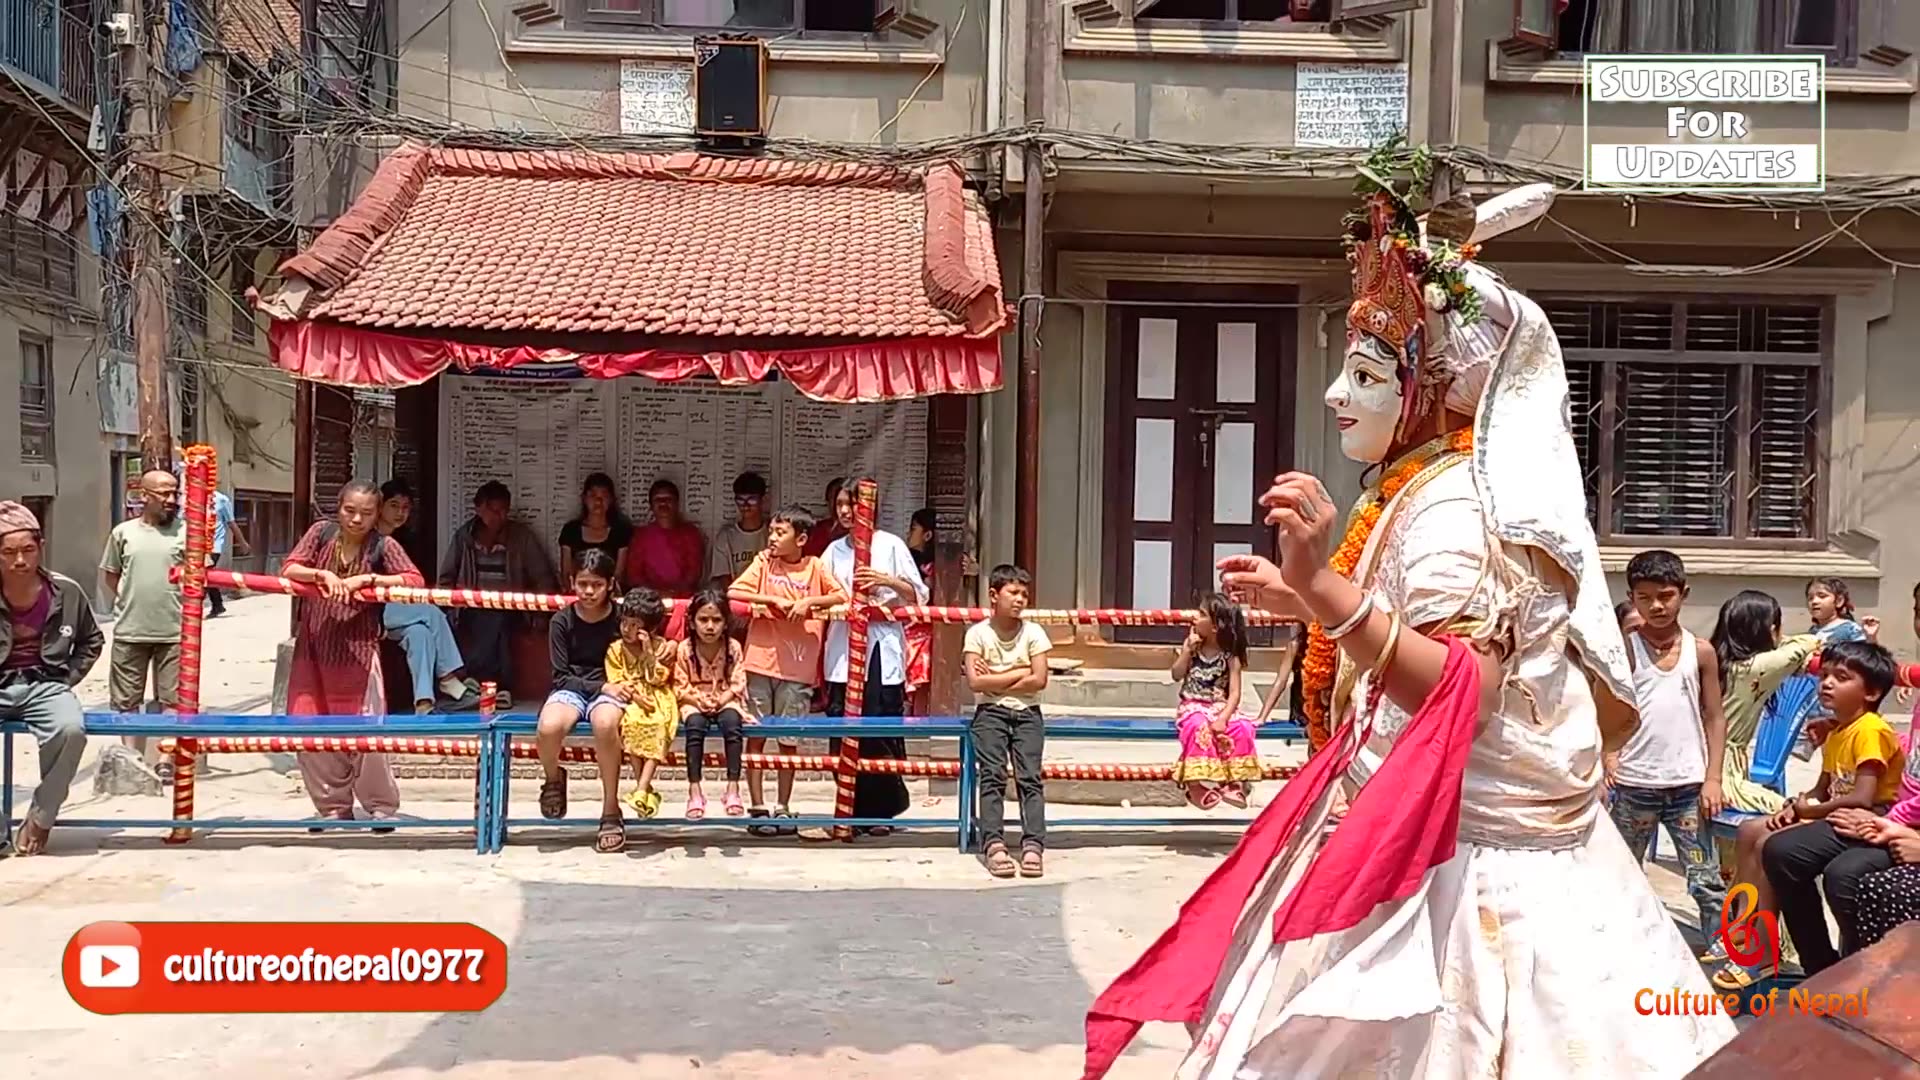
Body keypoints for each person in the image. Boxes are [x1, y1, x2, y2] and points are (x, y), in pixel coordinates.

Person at [1085, 172, 1733, 1078]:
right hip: (1442, 832)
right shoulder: (1424, 487)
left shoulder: (1456, 509)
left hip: (1465, 869)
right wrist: (1307, 595)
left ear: (1431, 386)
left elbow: (1469, 689)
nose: (1334, 398)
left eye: (1362, 375)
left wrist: (1320, 583)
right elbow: (1410, 634)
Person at [1744, 640, 1904, 981]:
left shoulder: (1870, 731)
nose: (1826, 683)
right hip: (1841, 816)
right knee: (1775, 845)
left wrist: (1812, 812)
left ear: (1872, 692)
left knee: (1791, 854)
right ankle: (1814, 962)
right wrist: (1797, 808)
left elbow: (1863, 796)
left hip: (1874, 817)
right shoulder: (1838, 731)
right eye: (1825, 675)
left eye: (1841, 677)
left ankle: (1835, 965)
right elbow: (1823, 789)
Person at [279, 480, 427, 827]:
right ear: (339, 507)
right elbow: (289, 568)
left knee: (367, 731)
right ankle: (332, 807)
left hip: (359, 653)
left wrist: (370, 581)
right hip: (314, 648)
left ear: (377, 515)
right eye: (350, 511)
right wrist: (320, 574)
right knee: (311, 729)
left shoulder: (382, 545)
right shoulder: (320, 533)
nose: (357, 519)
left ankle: (379, 805)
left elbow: (414, 580)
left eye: (366, 513)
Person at [1606, 550, 1730, 960]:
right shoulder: (1624, 650)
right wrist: (1608, 755)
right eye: (1644, 598)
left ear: (1683, 594)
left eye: (1665, 595)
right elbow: (1606, 707)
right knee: (1622, 872)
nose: (1656, 606)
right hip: (1634, 782)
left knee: (1704, 876)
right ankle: (1623, 946)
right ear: (1631, 598)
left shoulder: (1702, 652)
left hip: (1688, 785)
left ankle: (1720, 945)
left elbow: (1714, 715)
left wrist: (1714, 777)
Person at [819, 479, 928, 839]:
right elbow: (818, 592)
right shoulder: (833, 551)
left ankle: (885, 809)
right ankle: (849, 808)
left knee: (880, 727)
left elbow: (919, 595)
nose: (846, 512)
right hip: (842, 649)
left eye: (852, 504)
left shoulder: (892, 545)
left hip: (882, 648)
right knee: (843, 727)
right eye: (840, 505)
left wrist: (886, 581)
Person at [728, 505, 846, 835]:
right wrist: (771, 601)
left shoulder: (815, 566)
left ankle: (783, 806)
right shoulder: (763, 562)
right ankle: (757, 807)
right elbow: (735, 592)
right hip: (759, 661)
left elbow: (840, 596)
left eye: (781, 533)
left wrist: (809, 603)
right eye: (772, 532)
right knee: (756, 736)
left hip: (798, 666)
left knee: (789, 740)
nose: (773, 538)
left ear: (802, 539)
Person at [0, 502, 103, 855]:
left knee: (71, 730)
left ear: (40, 548)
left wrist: (66, 679)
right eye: (9, 552)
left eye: (28, 550)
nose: (19, 561)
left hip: (45, 684)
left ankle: (41, 817)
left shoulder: (66, 591)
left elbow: (92, 640)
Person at [533, 549, 627, 852]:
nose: (589, 591)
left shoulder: (622, 618)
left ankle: (611, 809)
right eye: (583, 583)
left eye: (596, 584)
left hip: (613, 689)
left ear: (610, 584)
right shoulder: (562, 621)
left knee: (606, 724)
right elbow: (560, 676)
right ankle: (553, 779)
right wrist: (600, 686)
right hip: (573, 689)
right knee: (548, 727)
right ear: (572, 581)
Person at [963, 564, 1051, 879]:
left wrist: (997, 678)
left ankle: (1033, 845)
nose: (1019, 600)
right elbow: (975, 683)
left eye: (1024, 594)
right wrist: (1018, 672)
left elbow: (1039, 679)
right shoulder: (978, 633)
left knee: (1030, 778)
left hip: (1027, 713)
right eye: (1012, 592)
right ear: (993, 595)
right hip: (990, 713)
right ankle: (994, 844)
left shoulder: (1034, 633)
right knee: (992, 776)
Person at [99, 468, 185, 770]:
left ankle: (164, 759)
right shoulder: (123, 533)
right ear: (144, 496)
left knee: (173, 699)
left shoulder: (187, 533)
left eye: (175, 493)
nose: (172, 499)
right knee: (126, 701)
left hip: (175, 632)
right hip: (130, 631)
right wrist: (129, 600)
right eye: (164, 493)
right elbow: (111, 576)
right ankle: (133, 760)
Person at [439, 481, 558, 698]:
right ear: (479, 509)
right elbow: (446, 578)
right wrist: (446, 612)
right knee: (490, 619)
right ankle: (500, 687)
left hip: (513, 609)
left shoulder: (521, 537)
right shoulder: (464, 538)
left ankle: (478, 680)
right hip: (470, 610)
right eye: (494, 510)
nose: (500, 516)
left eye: (504, 510)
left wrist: (542, 614)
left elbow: (543, 577)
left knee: (496, 617)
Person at [374, 480, 479, 714]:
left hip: (396, 616)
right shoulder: (369, 539)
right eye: (394, 506)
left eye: (406, 507)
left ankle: (423, 703)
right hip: (371, 613)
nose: (400, 512)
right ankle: (448, 677)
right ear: (380, 506)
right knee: (430, 612)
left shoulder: (407, 540)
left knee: (419, 634)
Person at [1170, 592, 1260, 810]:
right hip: (1193, 705)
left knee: (1242, 728)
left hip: (1220, 705)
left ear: (1215, 627)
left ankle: (1233, 782)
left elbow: (1235, 693)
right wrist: (1186, 652)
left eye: (1201, 615)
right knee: (1198, 726)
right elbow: (1176, 674)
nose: (1194, 618)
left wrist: (1224, 718)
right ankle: (1195, 785)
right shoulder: (1193, 648)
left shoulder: (1230, 656)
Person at [675, 588, 750, 819]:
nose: (710, 626)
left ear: (726, 623)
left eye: (716, 620)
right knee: (694, 727)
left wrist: (722, 699)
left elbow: (738, 681)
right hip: (694, 699)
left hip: (725, 698)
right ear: (692, 621)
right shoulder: (685, 649)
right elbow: (679, 685)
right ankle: (695, 790)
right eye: (703, 620)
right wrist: (698, 699)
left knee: (732, 724)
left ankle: (733, 788)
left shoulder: (733, 647)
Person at [607, 588, 679, 821]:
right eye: (625, 623)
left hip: (659, 696)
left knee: (658, 724)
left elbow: (658, 678)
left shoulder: (661, 647)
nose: (628, 630)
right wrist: (634, 697)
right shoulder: (615, 649)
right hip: (631, 696)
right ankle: (643, 790)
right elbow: (615, 679)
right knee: (633, 724)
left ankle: (641, 789)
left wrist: (648, 652)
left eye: (635, 625)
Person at [626, 478, 704, 597]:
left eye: (668, 499)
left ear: (677, 503)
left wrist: (673, 594)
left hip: (682, 599)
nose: (663, 503)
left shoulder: (691, 534)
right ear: (651, 505)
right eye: (658, 499)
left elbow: (693, 575)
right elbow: (634, 576)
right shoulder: (640, 536)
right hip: (647, 600)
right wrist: (656, 594)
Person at [558, 473, 632, 585]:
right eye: (593, 495)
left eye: (604, 496)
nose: (598, 501)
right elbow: (566, 574)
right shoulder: (571, 530)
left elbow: (619, 576)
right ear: (584, 498)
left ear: (611, 500)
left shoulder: (621, 531)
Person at [707, 472, 769, 588]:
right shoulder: (725, 536)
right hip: (735, 596)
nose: (745, 505)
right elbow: (723, 578)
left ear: (763, 500)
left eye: (751, 500)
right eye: (740, 500)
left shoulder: (773, 534)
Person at [205, 487, 247, 617]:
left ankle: (204, 605)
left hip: (213, 547)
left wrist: (242, 543)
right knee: (207, 575)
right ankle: (218, 605)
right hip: (196, 545)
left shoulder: (221, 500)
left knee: (204, 572)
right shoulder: (191, 498)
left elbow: (231, 523)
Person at [802, 477, 847, 559]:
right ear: (827, 502)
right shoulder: (816, 529)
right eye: (833, 499)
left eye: (845, 502)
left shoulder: (856, 531)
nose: (842, 509)